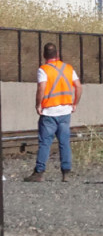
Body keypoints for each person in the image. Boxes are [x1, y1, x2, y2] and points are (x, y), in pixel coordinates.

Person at [24, 43, 82, 182]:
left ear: (44, 55)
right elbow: (78, 86)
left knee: (45, 143)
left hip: (49, 112)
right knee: (64, 142)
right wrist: (74, 103)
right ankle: (66, 173)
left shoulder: (43, 70)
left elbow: (41, 88)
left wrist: (38, 105)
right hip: (65, 111)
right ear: (58, 54)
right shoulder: (68, 68)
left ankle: (39, 172)